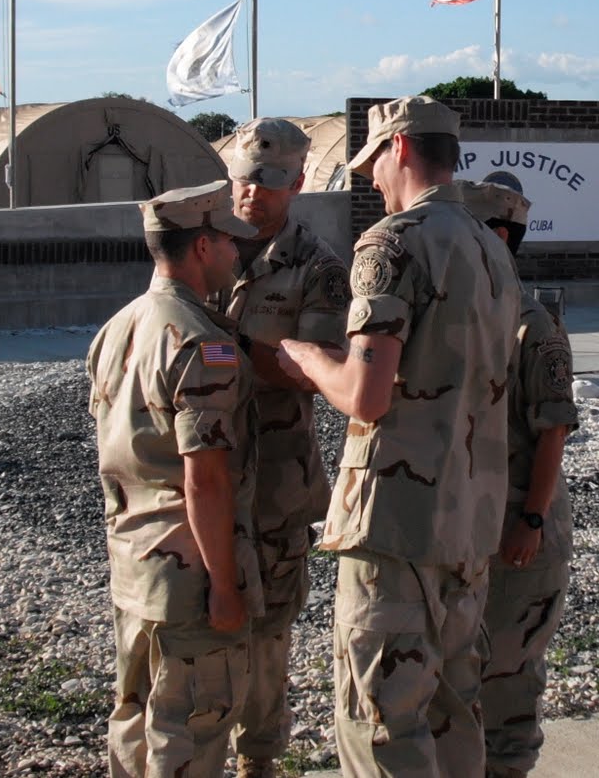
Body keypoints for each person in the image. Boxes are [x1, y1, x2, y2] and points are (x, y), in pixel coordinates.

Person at [279, 95, 521, 777]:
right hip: (469, 524)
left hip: (395, 526)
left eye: (375, 164)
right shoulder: (492, 250)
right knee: (453, 710)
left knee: (380, 719)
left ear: (402, 148)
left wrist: (303, 357)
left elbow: (365, 393)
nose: (375, 181)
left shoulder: (391, 243)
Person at [87, 180, 264, 778]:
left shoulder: (116, 328)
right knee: (191, 732)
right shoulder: (201, 341)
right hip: (188, 572)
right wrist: (225, 585)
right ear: (203, 247)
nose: (237, 255)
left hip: (134, 564)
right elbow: (205, 481)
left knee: (135, 718)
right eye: (228, 244)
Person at [219, 118, 351, 778]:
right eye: (244, 179)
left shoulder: (319, 270)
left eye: (268, 183)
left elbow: (315, 370)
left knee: (268, 625)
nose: (252, 194)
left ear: (298, 182)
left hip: (275, 475)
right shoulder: (206, 251)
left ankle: (258, 757)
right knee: (203, 613)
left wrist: (233, 348)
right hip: (206, 470)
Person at [460, 178, 577, 778]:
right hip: (474, 529)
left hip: (522, 532)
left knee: (509, 677)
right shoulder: (471, 315)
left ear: (499, 237)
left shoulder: (534, 325)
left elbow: (553, 431)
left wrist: (531, 519)